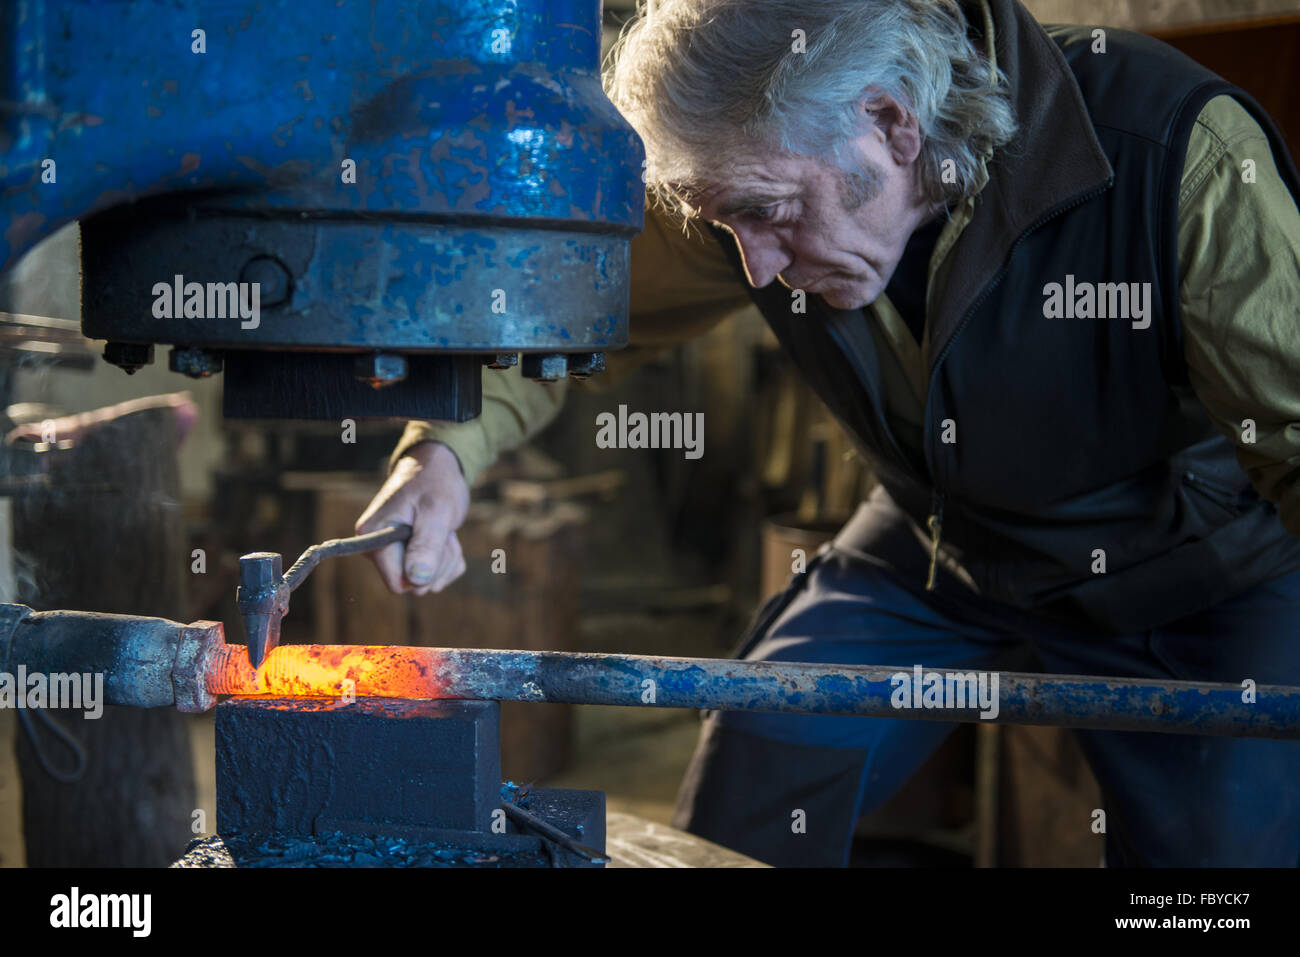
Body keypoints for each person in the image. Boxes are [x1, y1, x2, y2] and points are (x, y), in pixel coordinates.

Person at [357, 0, 1300, 866]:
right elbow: (569, 319)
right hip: (945, 538)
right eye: (726, 222)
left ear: (893, 124)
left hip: (1186, 562)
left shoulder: (1177, 154)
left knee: (1212, 873)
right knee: (763, 747)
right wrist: (438, 454)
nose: (756, 271)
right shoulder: (753, 167)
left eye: (767, 215)